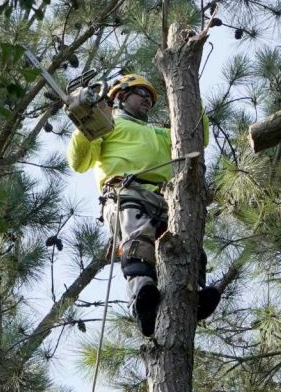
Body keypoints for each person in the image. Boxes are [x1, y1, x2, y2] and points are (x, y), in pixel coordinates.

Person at [67, 73, 219, 337]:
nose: (147, 99)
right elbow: (79, 162)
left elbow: (198, 135)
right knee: (139, 241)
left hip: (168, 199)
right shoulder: (108, 125)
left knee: (188, 248)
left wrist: (192, 99)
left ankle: (192, 296)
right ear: (121, 96)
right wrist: (86, 120)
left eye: (150, 96)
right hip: (127, 193)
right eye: (141, 93)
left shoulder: (163, 133)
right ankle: (142, 298)